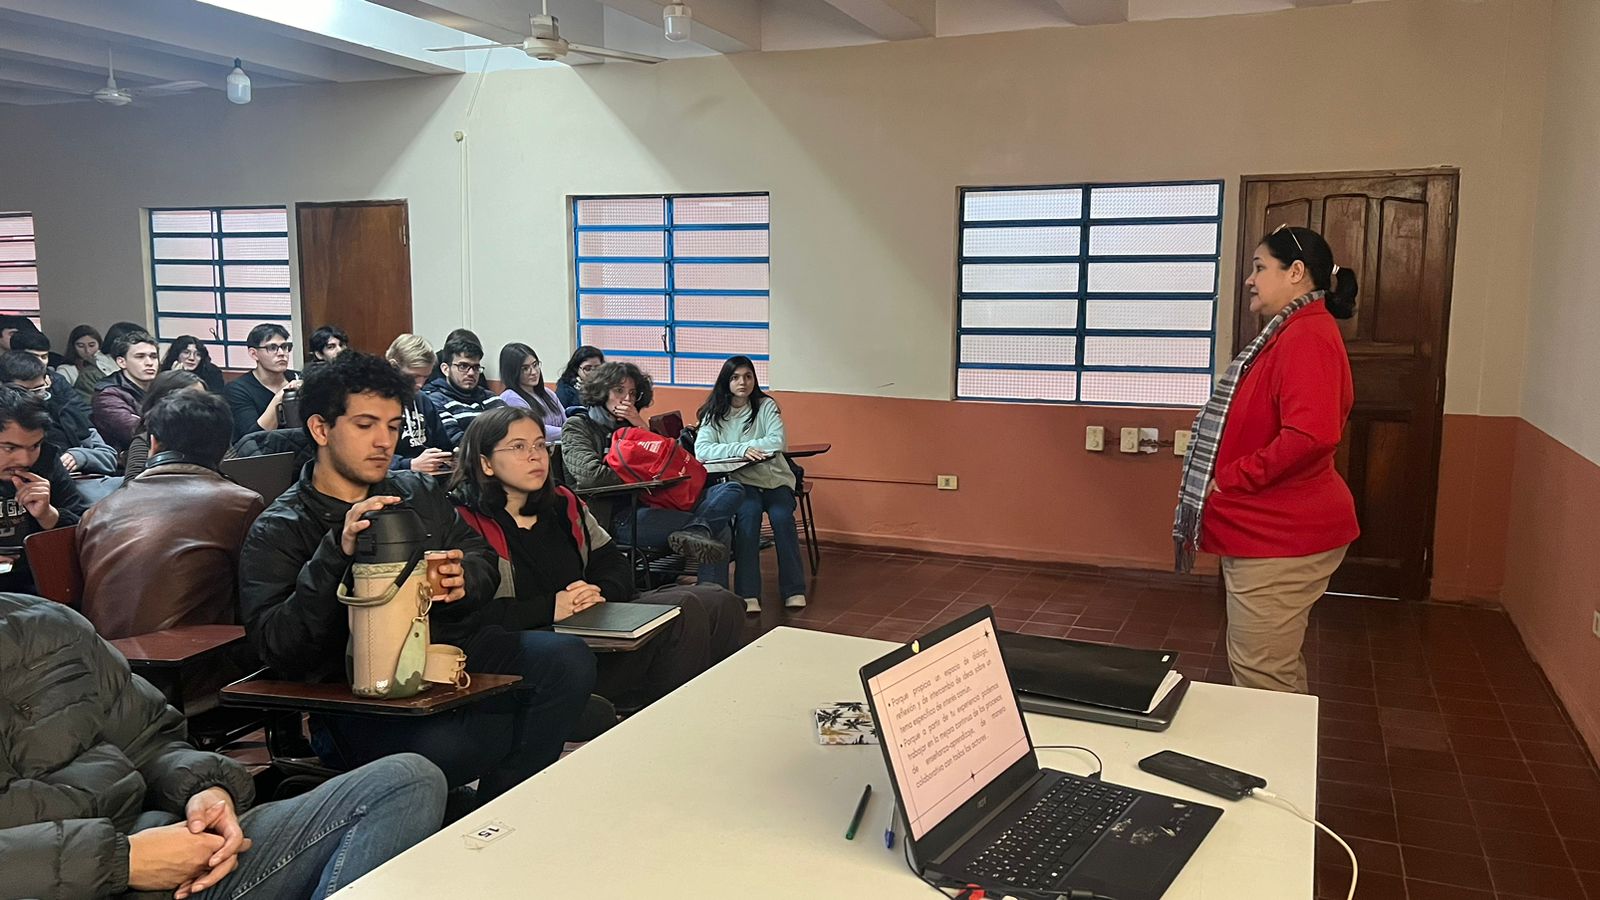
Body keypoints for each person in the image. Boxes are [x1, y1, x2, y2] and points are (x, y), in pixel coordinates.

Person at [238, 351, 595, 801]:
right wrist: (336, 552)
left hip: (448, 652)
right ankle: (477, 811)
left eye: (391, 425)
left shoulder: (417, 490)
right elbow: (278, 646)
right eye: (365, 426)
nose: (384, 441)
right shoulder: (282, 524)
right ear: (321, 429)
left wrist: (462, 577)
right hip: (357, 690)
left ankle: (494, 811)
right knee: (473, 738)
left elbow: (478, 554)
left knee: (567, 660)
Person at [0, 592, 447, 900]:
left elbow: (149, 741)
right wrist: (122, 861)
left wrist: (205, 792)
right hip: (76, 876)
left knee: (406, 781)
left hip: (171, 855)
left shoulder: (48, 626)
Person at [451, 407, 744, 711]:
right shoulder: (464, 523)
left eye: (540, 444)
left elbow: (611, 562)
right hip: (538, 645)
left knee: (720, 601)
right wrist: (551, 608)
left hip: (595, 621)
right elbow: (469, 618)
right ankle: (668, 719)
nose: (535, 455)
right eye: (519, 447)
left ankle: (711, 710)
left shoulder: (563, 503)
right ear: (485, 463)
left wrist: (597, 594)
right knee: (686, 610)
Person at [1173, 225, 1360, 694]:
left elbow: (1310, 436)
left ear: (1296, 273)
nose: (1251, 280)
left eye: (1260, 268)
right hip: (1270, 528)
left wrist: (1231, 478)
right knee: (1269, 668)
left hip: (1282, 534)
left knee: (1262, 680)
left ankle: (1269, 769)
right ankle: (1278, 761)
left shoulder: (1306, 336)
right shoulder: (1292, 331)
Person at [79, 389, 264, 639]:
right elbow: (259, 593)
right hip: (194, 663)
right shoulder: (241, 504)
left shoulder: (98, 511)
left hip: (106, 663)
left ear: (153, 443)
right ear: (223, 448)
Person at [561, 361, 742, 585]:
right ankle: (711, 596)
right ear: (601, 392)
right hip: (617, 516)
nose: (626, 399)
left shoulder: (631, 427)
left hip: (656, 502)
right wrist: (642, 475)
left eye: (632, 393)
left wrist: (640, 425)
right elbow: (592, 476)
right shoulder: (577, 426)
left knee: (732, 488)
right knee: (719, 529)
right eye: (619, 391)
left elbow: (668, 461)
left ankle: (698, 532)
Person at [696, 356, 807, 613]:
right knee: (748, 515)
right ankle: (748, 594)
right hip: (740, 483)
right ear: (726, 381)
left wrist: (742, 448)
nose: (742, 382)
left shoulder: (766, 406)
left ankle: (794, 589)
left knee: (782, 518)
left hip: (775, 480)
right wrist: (743, 449)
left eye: (748, 376)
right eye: (735, 377)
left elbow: (776, 441)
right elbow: (702, 450)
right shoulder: (714, 412)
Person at [0, 385, 87, 593]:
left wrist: (49, 516)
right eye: (10, 448)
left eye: (34, 446)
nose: (25, 459)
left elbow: (84, 531)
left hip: (39, 585)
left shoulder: (46, 462)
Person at [0, 351, 117, 476]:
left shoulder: (65, 410)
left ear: (47, 382)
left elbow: (109, 455)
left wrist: (80, 456)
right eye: (23, 392)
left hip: (89, 480)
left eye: (38, 390)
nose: (32, 399)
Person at [385, 333, 454, 475]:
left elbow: (443, 445)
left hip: (427, 478)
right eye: (413, 377)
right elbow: (365, 455)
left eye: (426, 377)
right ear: (393, 367)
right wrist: (409, 464)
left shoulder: (423, 400)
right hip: (394, 477)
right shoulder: (376, 402)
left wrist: (451, 457)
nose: (420, 384)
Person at [422, 336, 505, 448]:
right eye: (463, 366)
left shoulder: (490, 397)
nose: (471, 373)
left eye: (476, 367)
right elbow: (457, 441)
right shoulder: (434, 400)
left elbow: (511, 428)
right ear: (445, 369)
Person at [122, 369, 206, 479]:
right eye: (189, 400)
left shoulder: (212, 433)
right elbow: (129, 489)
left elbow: (232, 471)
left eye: (203, 399)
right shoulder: (144, 441)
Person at [224, 323, 301, 440]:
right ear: (254, 354)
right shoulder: (237, 389)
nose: (281, 353)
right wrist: (282, 396)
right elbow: (253, 439)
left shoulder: (298, 377)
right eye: (272, 348)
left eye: (285, 346)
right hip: (264, 454)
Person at [91, 329, 160, 453]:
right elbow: (136, 432)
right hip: (125, 464)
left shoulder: (163, 386)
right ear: (122, 362)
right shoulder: (107, 395)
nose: (149, 363)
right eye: (140, 357)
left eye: (153, 357)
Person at [497, 343, 565, 442]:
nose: (533, 372)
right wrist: (569, 432)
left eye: (535, 365)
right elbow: (533, 430)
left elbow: (566, 421)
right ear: (512, 372)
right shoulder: (510, 398)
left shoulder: (548, 393)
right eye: (525, 368)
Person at [61, 324, 119, 400]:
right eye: (81, 346)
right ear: (73, 347)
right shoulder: (66, 370)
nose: (87, 350)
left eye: (91, 345)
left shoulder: (109, 364)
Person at [161, 335, 227, 393]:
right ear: (176, 354)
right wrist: (175, 377)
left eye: (198, 354)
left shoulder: (212, 372)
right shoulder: (165, 373)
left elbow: (217, 401)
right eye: (186, 352)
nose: (192, 358)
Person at [555, 345, 604, 410]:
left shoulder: (607, 385)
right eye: (587, 368)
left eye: (598, 368)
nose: (593, 372)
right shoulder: (566, 388)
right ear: (576, 368)